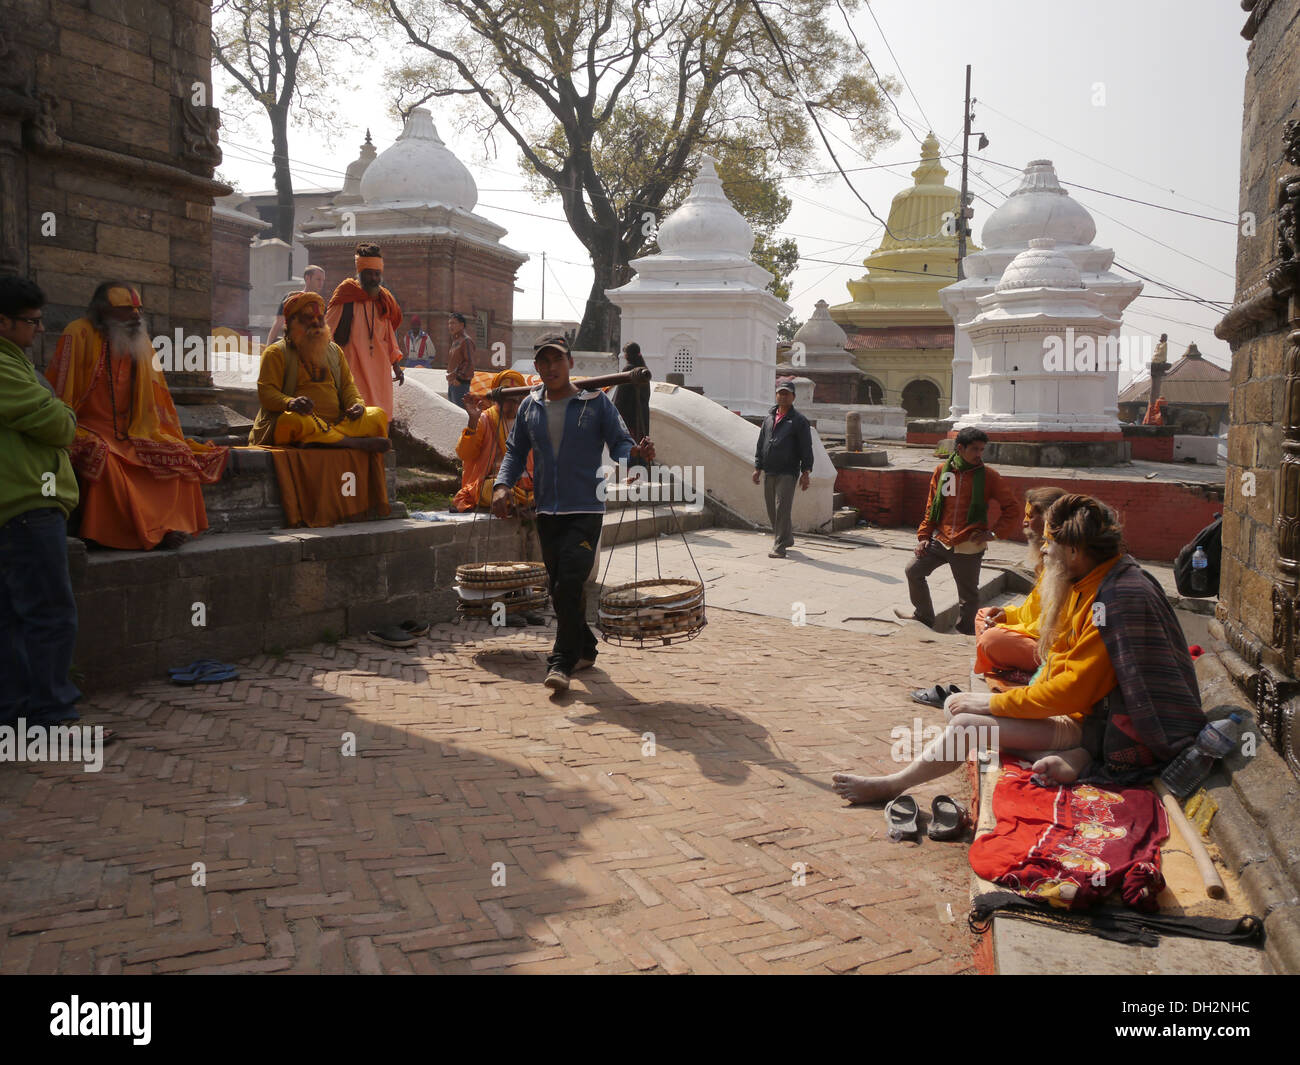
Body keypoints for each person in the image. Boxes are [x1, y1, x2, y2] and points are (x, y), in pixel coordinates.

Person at [833, 494, 1206, 804]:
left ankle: (892, 785)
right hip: (1081, 716)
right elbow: (1061, 656)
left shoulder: (1114, 597)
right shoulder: (1095, 579)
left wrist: (992, 704)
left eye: (1051, 543)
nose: (1044, 550)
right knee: (954, 706)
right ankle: (1067, 756)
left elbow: (1073, 691)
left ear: (1075, 550)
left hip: (1101, 727)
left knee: (964, 725)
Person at [492, 335, 655, 692]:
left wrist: (637, 457)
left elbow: (620, 445)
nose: (551, 368)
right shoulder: (529, 407)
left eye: (557, 360)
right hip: (547, 509)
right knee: (558, 586)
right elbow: (515, 452)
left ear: (571, 363)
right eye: (544, 362)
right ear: (537, 367)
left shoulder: (595, 403)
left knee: (568, 580)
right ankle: (586, 647)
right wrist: (502, 485)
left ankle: (560, 662)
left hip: (585, 508)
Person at [46, 282, 228, 550]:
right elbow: (61, 391)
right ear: (103, 312)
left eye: (138, 309)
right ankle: (120, 534)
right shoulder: (79, 333)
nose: (135, 316)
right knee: (105, 460)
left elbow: (158, 395)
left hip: (136, 429)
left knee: (176, 456)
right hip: (89, 427)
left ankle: (166, 527)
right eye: (125, 310)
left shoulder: (139, 340)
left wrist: (158, 432)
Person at [0, 276, 81, 727]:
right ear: (2, 322)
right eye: (31, 322)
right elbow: (58, 423)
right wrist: (65, 412)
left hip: (18, 506)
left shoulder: (15, 360)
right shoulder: (4, 365)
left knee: (11, 619)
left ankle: (13, 715)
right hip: (27, 506)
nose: (39, 330)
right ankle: (52, 713)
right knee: (50, 615)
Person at [897, 427, 1018, 635]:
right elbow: (932, 506)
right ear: (960, 448)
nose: (979, 454)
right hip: (941, 539)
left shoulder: (988, 476)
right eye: (974, 449)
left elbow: (1013, 509)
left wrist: (994, 533)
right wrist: (924, 536)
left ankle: (965, 633)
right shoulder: (942, 471)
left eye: (982, 449)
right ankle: (924, 616)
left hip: (969, 543)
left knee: (968, 596)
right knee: (913, 571)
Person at [248, 291, 389, 450]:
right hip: (304, 421)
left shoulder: (334, 351)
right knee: (292, 421)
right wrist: (290, 402)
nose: (316, 322)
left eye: (320, 318)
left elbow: (347, 386)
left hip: (335, 423)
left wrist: (356, 404)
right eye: (309, 318)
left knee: (377, 415)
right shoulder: (276, 352)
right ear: (293, 321)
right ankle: (348, 442)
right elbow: (266, 393)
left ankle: (329, 440)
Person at [972, 485, 1068, 683]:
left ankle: (1003, 662)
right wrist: (1007, 615)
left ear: (1049, 521)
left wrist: (1012, 629)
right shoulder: (1048, 558)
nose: (1025, 523)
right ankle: (1000, 660)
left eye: (1031, 517)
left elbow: (1051, 626)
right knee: (985, 614)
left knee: (992, 639)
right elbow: (1031, 610)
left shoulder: (1066, 564)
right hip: (1032, 633)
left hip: (1051, 647)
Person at [326, 242, 404, 418]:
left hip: (380, 370)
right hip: (352, 366)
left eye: (377, 274)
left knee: (381, 415)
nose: (374, 279)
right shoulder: (346, 294)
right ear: (360, 273)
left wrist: (396, 367)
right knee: (355, 412)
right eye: (370, 274)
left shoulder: (383, 299)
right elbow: (326, 333)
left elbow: (389, 336)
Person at [452, 369, 533, 511]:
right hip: (490, 482)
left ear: (521, 399)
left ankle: (519, 500)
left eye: (515, 399)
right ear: (497, 398)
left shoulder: (528, 421)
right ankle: (518, 501)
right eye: (507, 398)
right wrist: (472, 422)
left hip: (523, 484)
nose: (511, 404)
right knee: (493, 489)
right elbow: (465, 454)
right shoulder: (484, 419)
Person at [753, 378, 813, 559]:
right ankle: (786, 537)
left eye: (787, 393)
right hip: (769, 470)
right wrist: (758, 467)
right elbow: (761, 443)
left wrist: (806, 472)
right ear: (776, 395)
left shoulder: (799, 421)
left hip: (788, 471)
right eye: (780, 393)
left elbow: (806, 447)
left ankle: (779, 547)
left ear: (793, 397)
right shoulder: (769, 419)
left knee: (782, 509)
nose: (783, 396)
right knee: (772, 509)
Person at [612, 341, 651, 469]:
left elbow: (620, 397)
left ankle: (632, 473)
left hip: (629, 417)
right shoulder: (643, 371)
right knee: (641, 445)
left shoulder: (629, 370)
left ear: (627, 355)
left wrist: (613, 412)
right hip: (642, 416)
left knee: (630, 447)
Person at [266, 264, 326, 345]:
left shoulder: (320, 303)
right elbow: (278, 323)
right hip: (292, 346)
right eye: (318, 279)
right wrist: (268, 347)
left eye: (323, 280)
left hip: (312, 348)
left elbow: (324, 328)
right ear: (307, 278)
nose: (321, 283)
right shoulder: (291, 298)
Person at [445, 312, 476, 409]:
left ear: (461, 325)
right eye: (449, 323)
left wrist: (459, 378)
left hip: (460, 383)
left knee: (460, 413)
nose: (450, 326)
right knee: (454, 414)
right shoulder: (456, 341)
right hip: (452, 382)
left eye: (453, 323)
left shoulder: (466, 341)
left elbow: (469, 362)